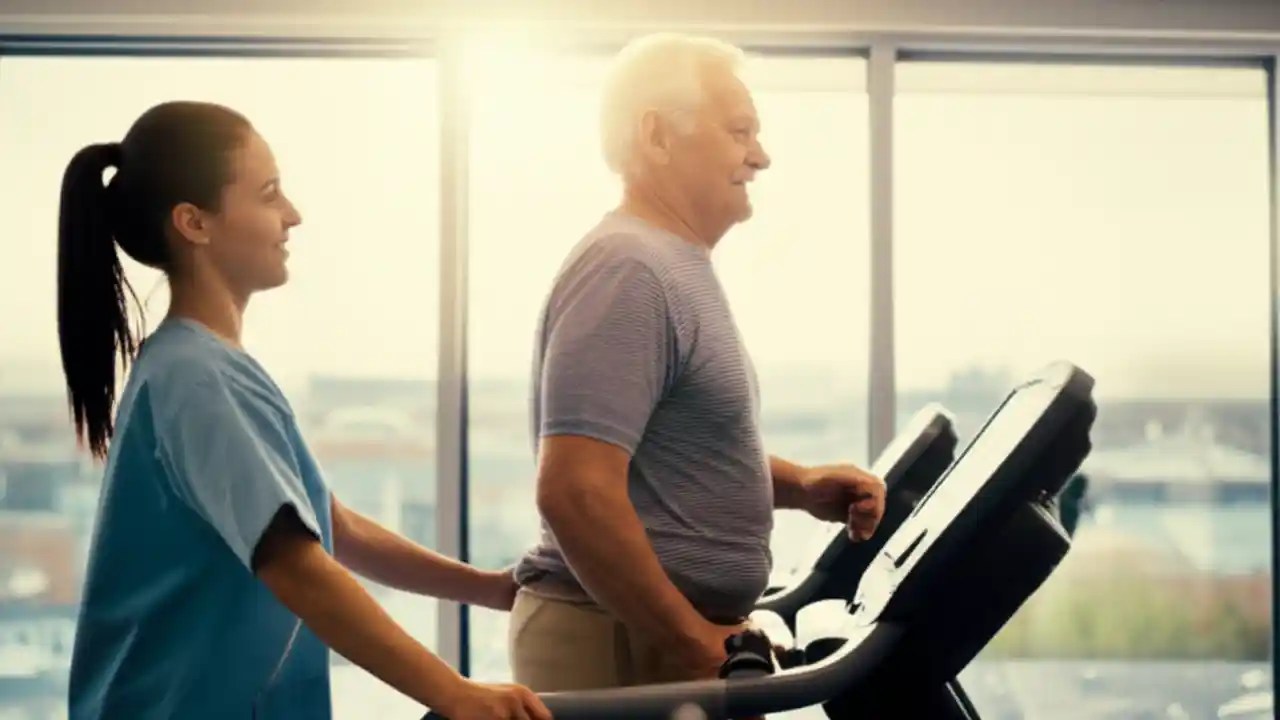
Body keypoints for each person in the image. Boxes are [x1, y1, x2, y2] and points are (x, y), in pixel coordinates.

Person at [57, 100, 551, 720]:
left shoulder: (197, 366)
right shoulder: (198, 377)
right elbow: (296, 564)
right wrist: (453, 692)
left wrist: (491, 589)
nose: (293, 215)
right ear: (194, 222)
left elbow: (330, 527)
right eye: (268, 194)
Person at [509, 33, 888, 691]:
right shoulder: (630, 270)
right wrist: (688, 641)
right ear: (656, 136)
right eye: (740, 130)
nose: (761, 156)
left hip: (645, 639)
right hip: (619, 644)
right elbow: (576, 489)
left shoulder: (667, 265)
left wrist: (797, 486)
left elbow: (662, 454)